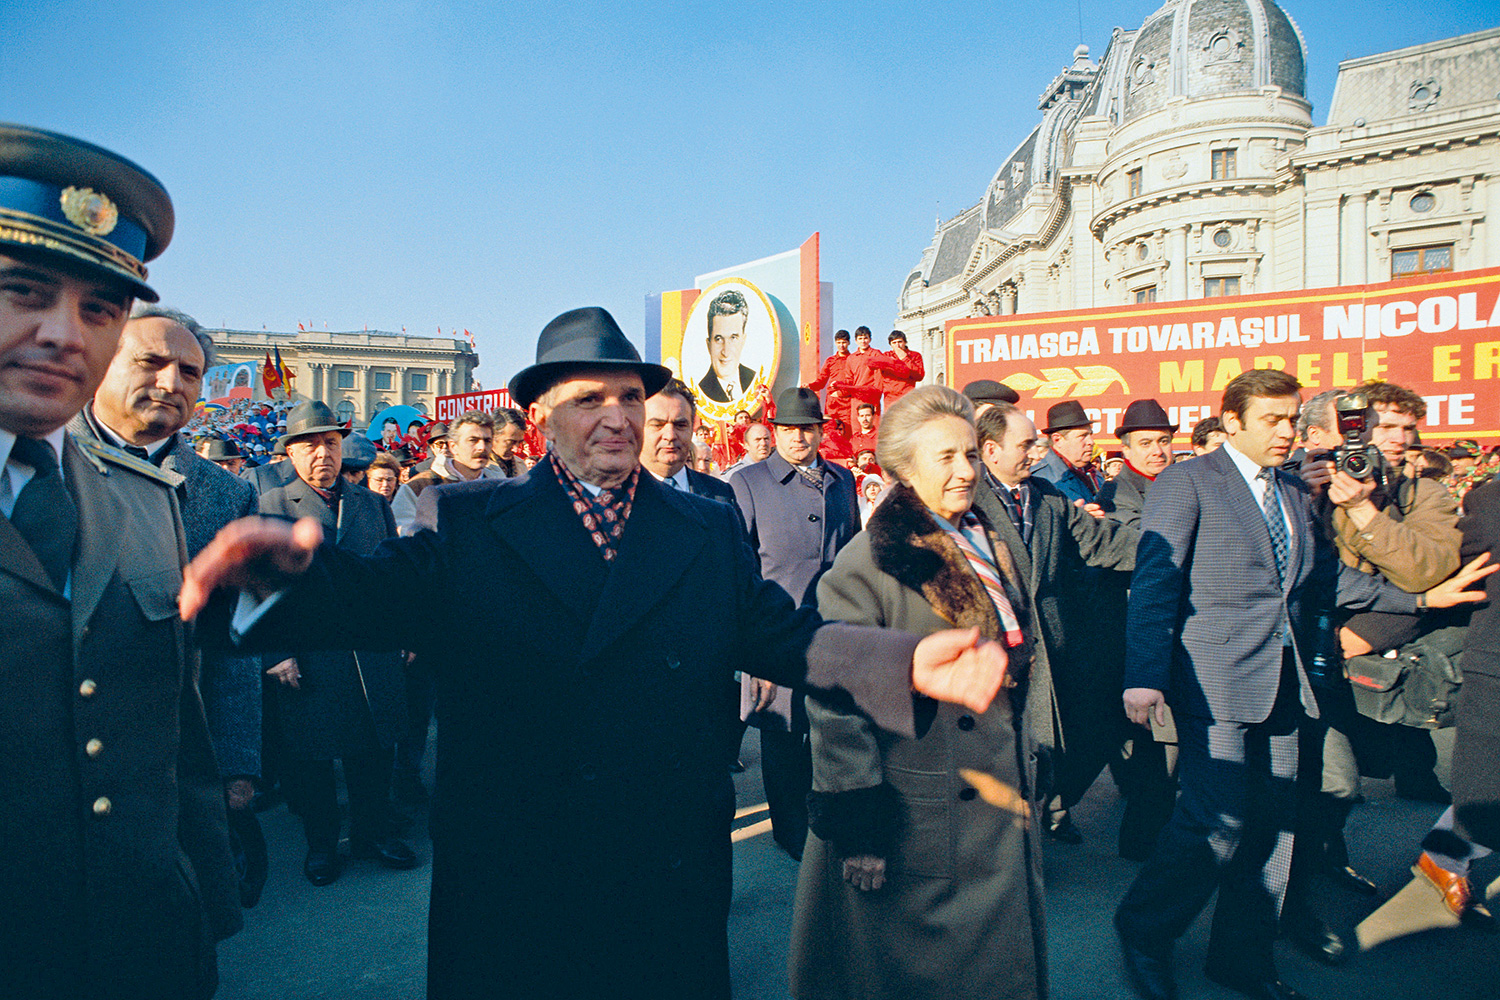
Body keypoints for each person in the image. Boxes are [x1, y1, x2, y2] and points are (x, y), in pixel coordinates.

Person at [179, 306, 1009, 1000]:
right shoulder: (471, 524)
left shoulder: (705, 528)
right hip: (520, 869)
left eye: (628, 396)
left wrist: (898, 662)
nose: (615, 416)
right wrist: (274, 576)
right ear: (542, 416)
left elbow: (783, 636)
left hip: (664, 858)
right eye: (588, 400)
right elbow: (364, 596)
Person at [1113, 369, 1492, 1000]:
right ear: (1232, 422)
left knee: (1274, 824)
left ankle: (1241, 958)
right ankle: (1145, 932)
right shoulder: (1188, 482)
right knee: (1215, 822)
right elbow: (1157, 583)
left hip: (1286, 683)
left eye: (1292, 419)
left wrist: (1421, 597)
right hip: (1213, 684)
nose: (1287, 432)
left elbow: (1325, 583)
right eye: (1272, 420)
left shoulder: (1291, 490)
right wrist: (1143, 678)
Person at [0, 123, 240, 998]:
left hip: (143, 944)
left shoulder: (149, 502)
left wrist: (204, 902)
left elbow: (179, 734)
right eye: (24, 291)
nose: (66, 335)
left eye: (100, 309)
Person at [789, 385, 1043, 1000]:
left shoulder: (988, 539)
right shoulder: (870, 561)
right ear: (902, 468)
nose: (965, 471)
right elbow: (836, 702)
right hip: (921, 811)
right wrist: (859, 829)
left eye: (971, 455)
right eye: (945, 458)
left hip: (997, 792)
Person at [70, 304, 267, 890]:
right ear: (103, 361)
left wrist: (236, 763)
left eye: (189, 372)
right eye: (151, 362)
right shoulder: (38, 458)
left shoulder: (225, 492)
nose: (170, 382)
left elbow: (235, 646)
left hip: (176, 759)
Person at [257, 400, 418, 886]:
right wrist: (276, 651)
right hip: (310, 654)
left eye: (330, 442)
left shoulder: (369, 503)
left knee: (373, 748)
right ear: (290, 452)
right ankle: (322, 846)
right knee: (313, 758)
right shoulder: (270, 504)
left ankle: (373, 834)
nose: (323, 454)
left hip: (371, 649)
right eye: (310, 445)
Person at [972, 403, 1138, 846]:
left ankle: (1047, 812)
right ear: (990, 450)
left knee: (1065, 739)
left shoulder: (1046, 496)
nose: (1035, 452)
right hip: (990, 651)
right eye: (1025, 444)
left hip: (1050, 647)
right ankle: (1006, 844)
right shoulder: (965, 499)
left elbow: (1101, 542)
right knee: (995, 754)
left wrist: (1171, 547)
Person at [731, 387, 861, 860]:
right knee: (781, 735)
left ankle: (827, 820)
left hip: (832, 627)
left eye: (807, 428)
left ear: (821, 431)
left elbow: (854, 551)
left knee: (831, 730)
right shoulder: (746, 483)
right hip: (773, 630)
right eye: (788, 429)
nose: (798, 438)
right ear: (776, 431)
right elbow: (740, 566)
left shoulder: (842, 480)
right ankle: (790, 831)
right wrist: (752, 648)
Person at [1095, 400, 1179, 861]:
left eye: (1164, 441)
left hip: (1169, 626)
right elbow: (1138, 545)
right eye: (1146, 443)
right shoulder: (1118, 490)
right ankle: (1142, 842)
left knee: (1158, 744)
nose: (1157, 451)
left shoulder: (1176, 483)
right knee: (1153, 744)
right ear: (1125, 447)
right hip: (1136, 623)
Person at [391, 410, 502, 535]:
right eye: (473, 440)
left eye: (487, 441)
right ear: (453, 446)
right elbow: (403, 533)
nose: (482, 447)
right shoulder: (419, 486)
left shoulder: (500, 487)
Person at [1030, 401, 1098, 502]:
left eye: (1090, 435)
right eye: (1083, 436)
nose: (1091, 442)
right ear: (1057, 440)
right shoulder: (1039, 479)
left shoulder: (1093, 473)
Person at [698, 288, 755, 402]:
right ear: (709, 345)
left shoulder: (753, 379)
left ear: (743, 341)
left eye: (733, 338)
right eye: (719, 339)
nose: (726, 351)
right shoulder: (702, 391)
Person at [830, 326, 884, 429]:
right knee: (856, 429)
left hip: (871, 399)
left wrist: (876, 400)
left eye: (865, 338)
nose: (863, 341)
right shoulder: (851, 358)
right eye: (860, 338)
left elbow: (879, 380)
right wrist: (839, 387)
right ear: (855, 340)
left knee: (873, 429)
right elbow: (849, 380)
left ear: (870, 339)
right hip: (856, 399)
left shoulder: (876, 354)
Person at [866, 328, 924, 403]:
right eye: (894, 343)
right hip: (890, 397)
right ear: (890, 345)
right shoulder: (887, 355)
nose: (897, 345)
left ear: (905, 342)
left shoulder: (915, 356)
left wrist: (904, 358)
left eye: (900, 342)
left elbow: (919, 375)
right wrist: (892, 362)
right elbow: (871, 363)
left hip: (907, 395)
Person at [806, 329, 852, 420]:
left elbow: (855, 381)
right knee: (830, 428)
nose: (841, 345)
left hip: (847, 402)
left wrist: (840, 393)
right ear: (835, 343)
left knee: (847, 430)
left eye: (844, 342)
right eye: (839, 342)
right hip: (832, 402)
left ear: (849, 342)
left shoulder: (853, 360)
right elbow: (821, 381)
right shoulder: (830, 361)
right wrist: (810, 386)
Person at [490, 407, 527, 477]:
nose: (515, 449)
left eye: (520, 442)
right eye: (511, 442)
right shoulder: (479, 468)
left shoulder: (521, 465)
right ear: (492, 436)